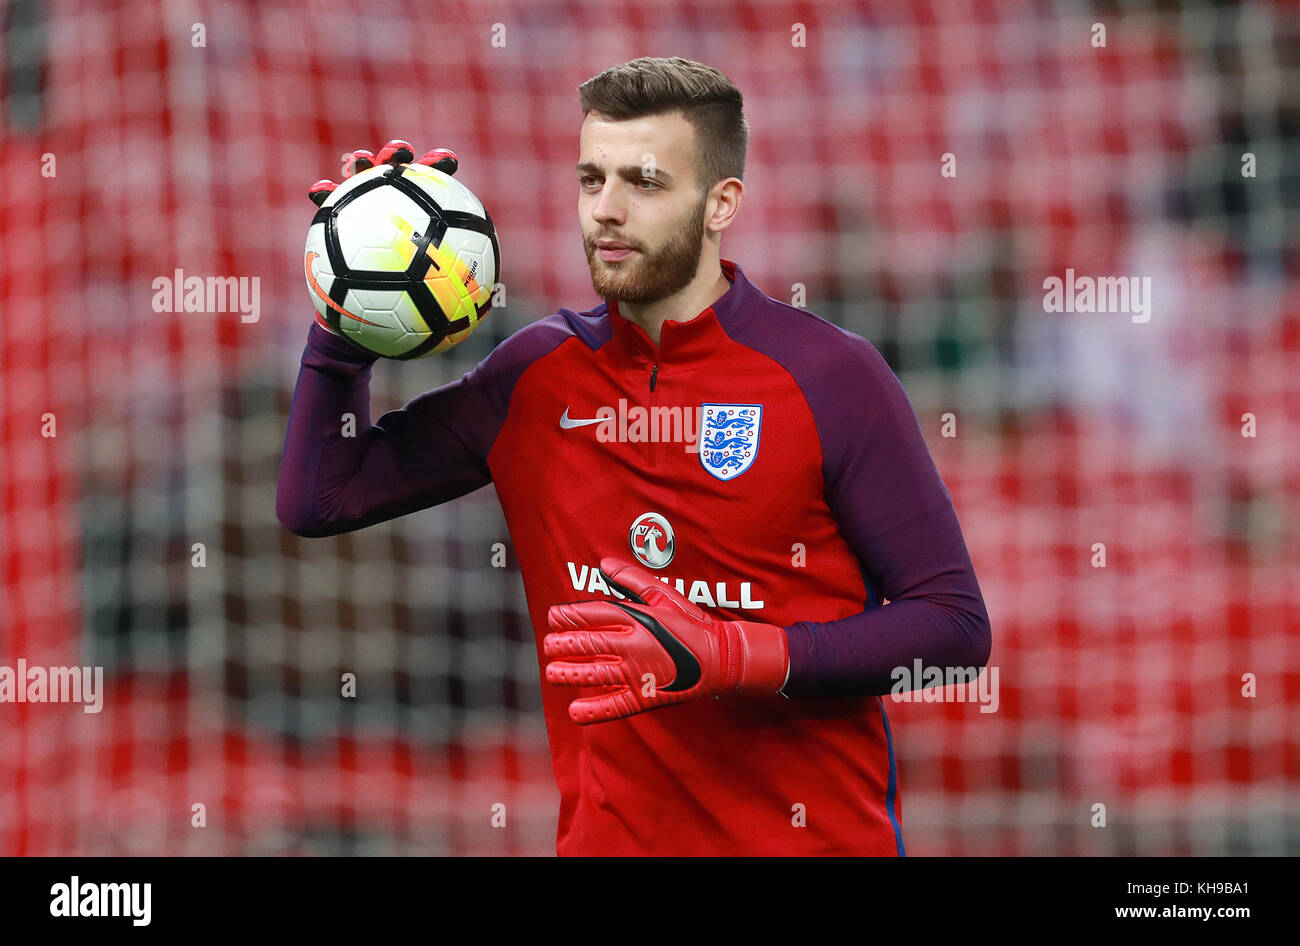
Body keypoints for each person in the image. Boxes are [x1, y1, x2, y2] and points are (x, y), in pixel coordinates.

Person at [278, 56, 991, 856]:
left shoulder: (830, 375)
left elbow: (955, 630)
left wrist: (733, 655)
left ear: (721, 203)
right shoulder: (536, 375)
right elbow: (321, 501)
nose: (606, 212)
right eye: (592, 180)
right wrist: (348, 311)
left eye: (644, 183)